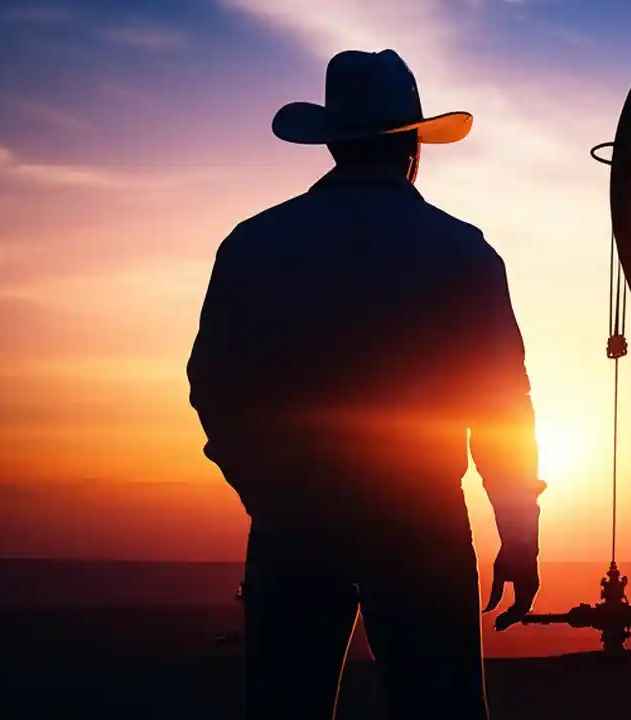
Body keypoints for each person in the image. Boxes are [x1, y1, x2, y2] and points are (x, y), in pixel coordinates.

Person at [187, 49, 544, 719]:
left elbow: (214, 384)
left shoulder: (254, 244)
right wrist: (518, 533)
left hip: (294, 518)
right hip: (420, 521)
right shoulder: (462, 251)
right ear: (413, 141)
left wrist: (261, 485)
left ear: (331, 142)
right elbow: (499, 404)